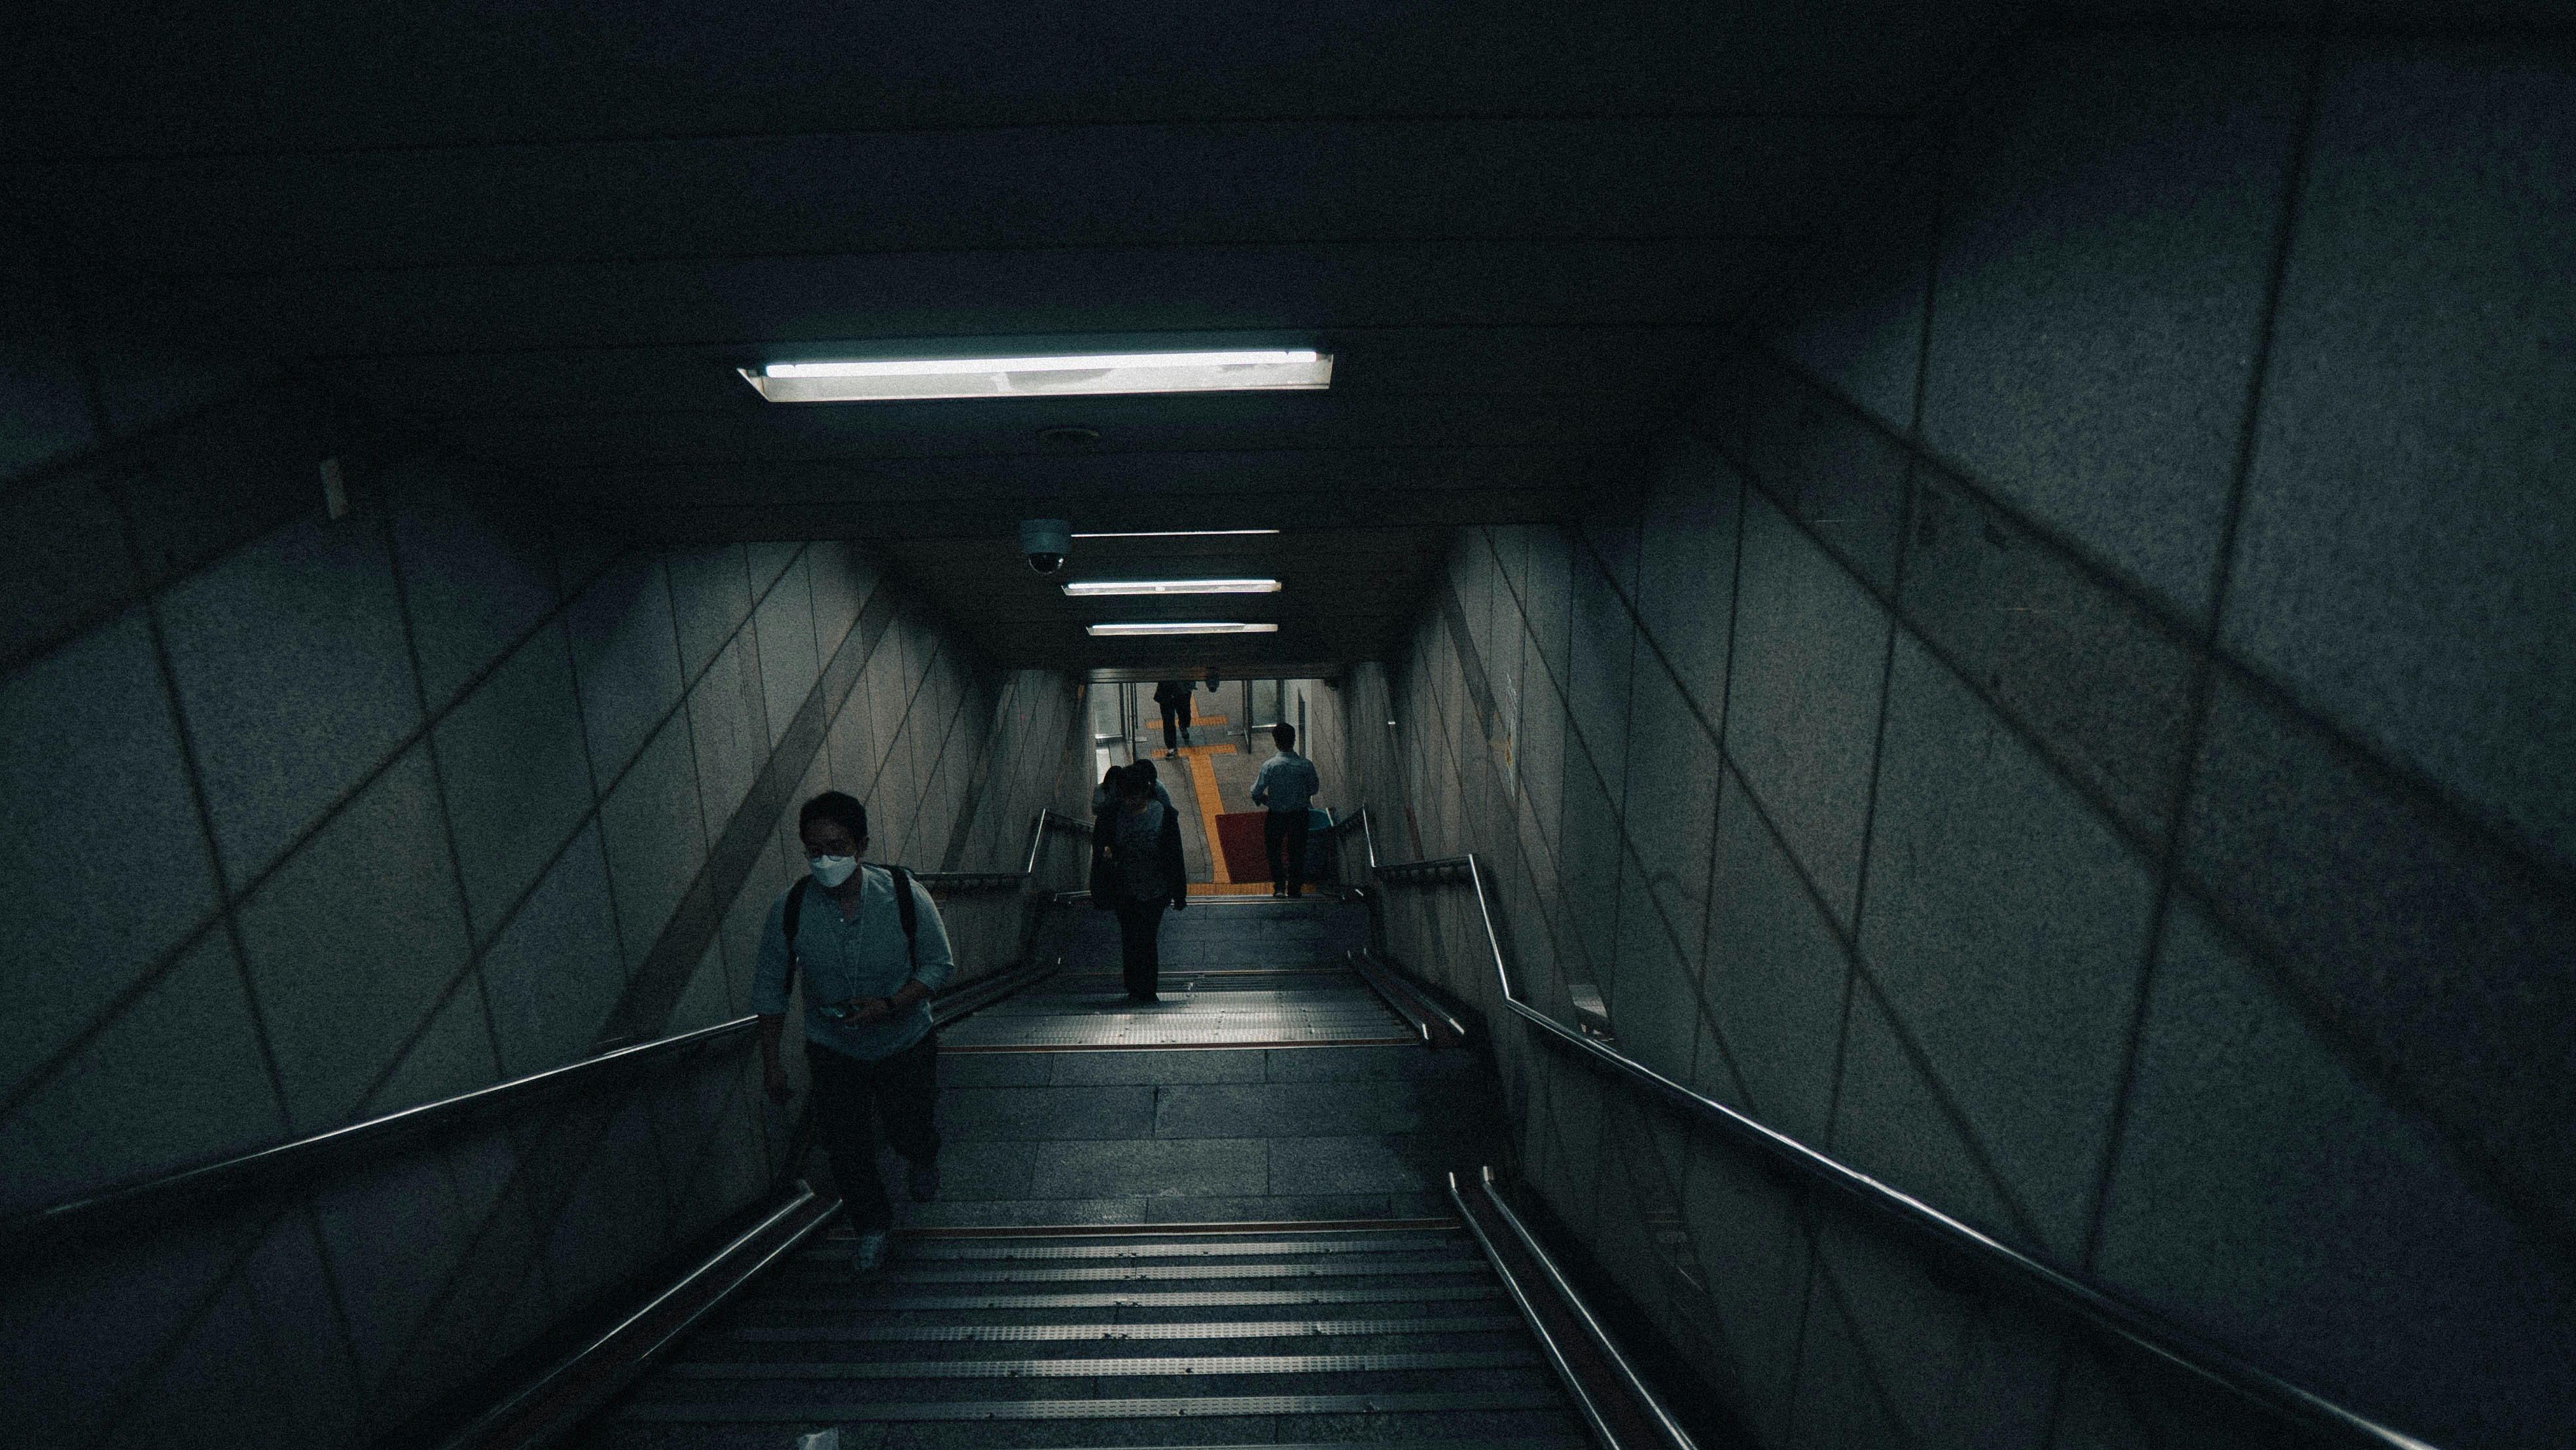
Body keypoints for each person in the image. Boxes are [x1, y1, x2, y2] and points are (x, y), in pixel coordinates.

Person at [753, 790, 955, 1275]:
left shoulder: (904, 894)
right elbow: (769, 987)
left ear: (861, 845)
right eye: (814, 849)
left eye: (837, 847)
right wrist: (772, 1062)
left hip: (904, 1042)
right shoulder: (791, 908)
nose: (826, 860)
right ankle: (872, 1225)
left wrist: (890, 1005)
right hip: (833, 1049)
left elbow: (938, 965)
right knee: (845, 1145)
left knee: (909, 1128)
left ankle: (922, 1154)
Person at [1096, 764, 1186, 1000]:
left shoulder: (1164, 815)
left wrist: (1179, 893)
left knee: (1146, 937)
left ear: (1146, 791)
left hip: (1155, 889)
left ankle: (1146, 988)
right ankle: (1134, 986)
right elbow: (1102, 850)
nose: (1131, 802)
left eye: (1135, 796)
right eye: (1126, 796)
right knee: (1129, 936)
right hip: (1125, 888)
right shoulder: (1112, 816)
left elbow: (1175, 855)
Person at [1249, 722, 1323, 898]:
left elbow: (1256, 791)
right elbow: (1314, 789)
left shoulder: (1270, 766)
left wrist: (1266, 800)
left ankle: (1280, 886)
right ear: (1294, 740)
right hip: (1299, 815)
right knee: (1297, 851)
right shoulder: (1306, 765)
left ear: (1276, 742)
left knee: (1273, 849)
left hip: (1276, 815)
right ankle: (1295, 888)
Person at [1151, 677, 1217, 758]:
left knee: (1183, 713)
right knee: (1168, 720)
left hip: (1179, 689)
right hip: (1171, 690)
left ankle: (1183, 727)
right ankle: (1171, 746)